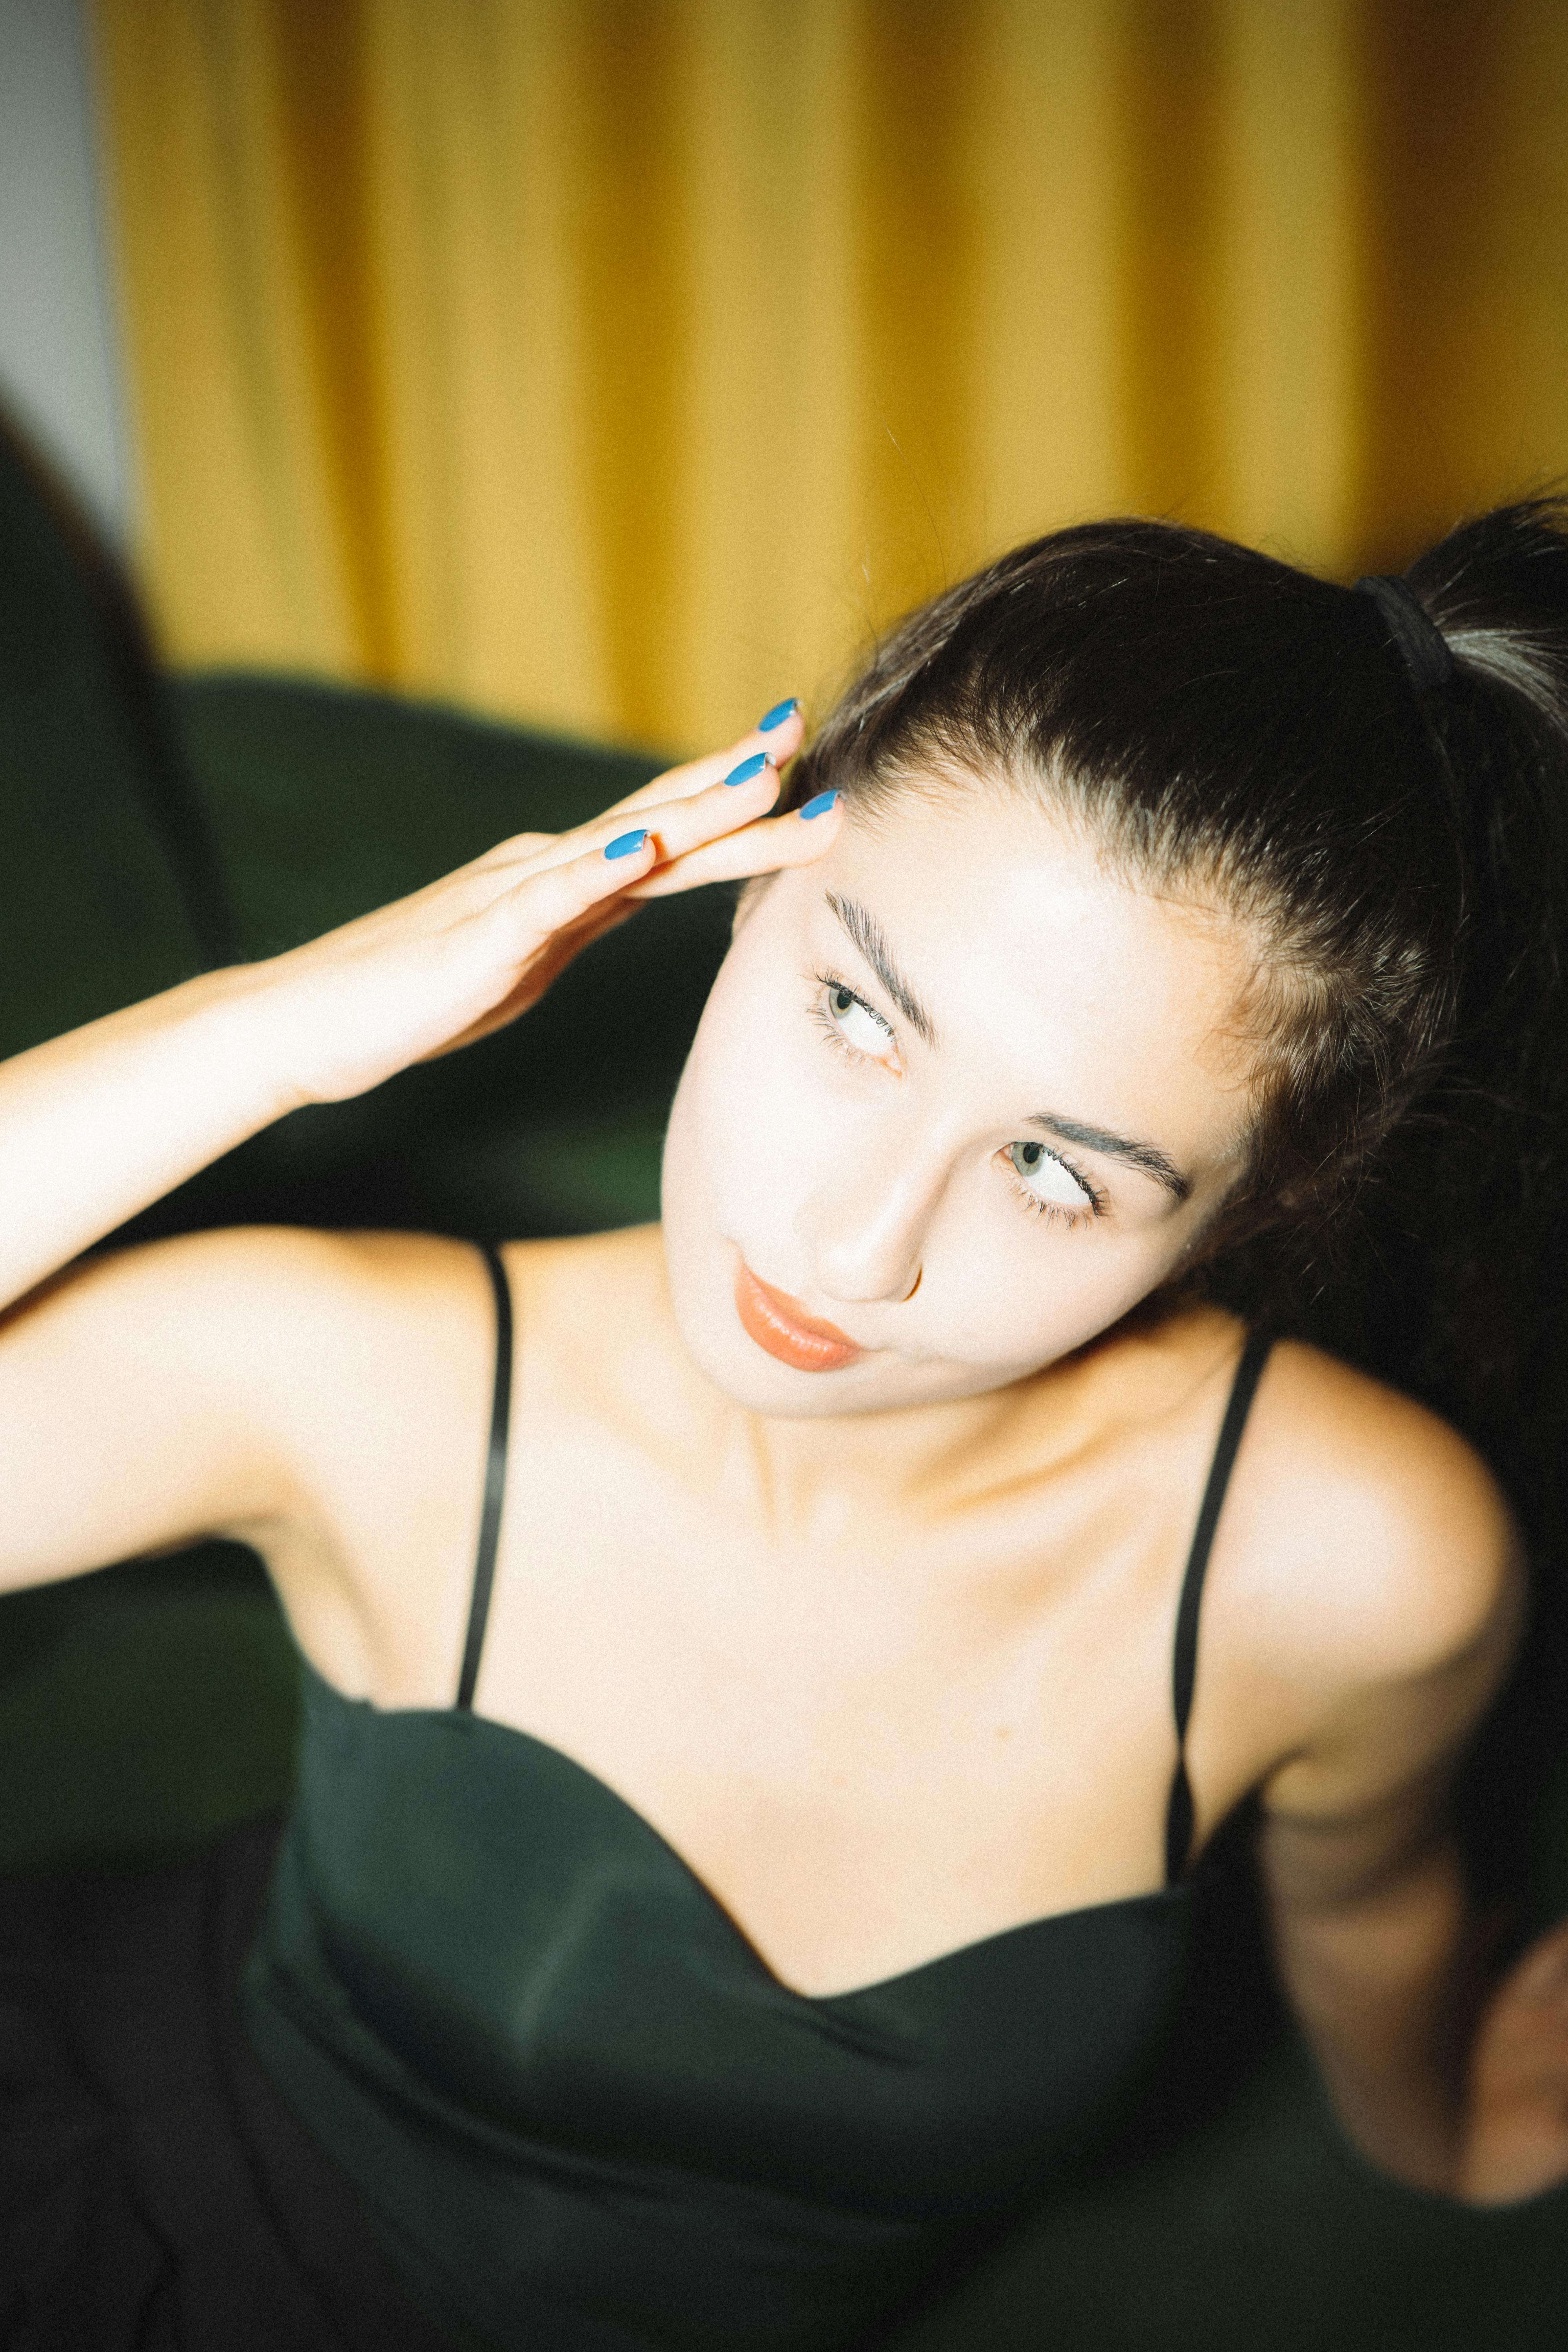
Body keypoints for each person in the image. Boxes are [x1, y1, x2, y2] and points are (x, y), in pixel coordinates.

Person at [4, 504, 1568, 2352]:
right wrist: (284, 1028)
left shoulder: (1352, 1565)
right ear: (747, 885)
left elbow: (1374, 1911)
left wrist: (1445, 2118)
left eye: (1055, 1175)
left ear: (1249, 1216)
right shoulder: (372, 1383)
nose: (846, 1247)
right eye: (849, 1009)